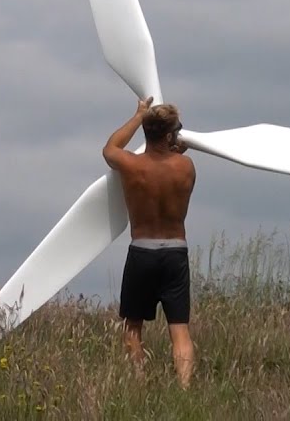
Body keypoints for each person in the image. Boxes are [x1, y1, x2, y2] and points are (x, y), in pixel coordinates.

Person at [103, 96, 197, 387]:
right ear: (170, 135)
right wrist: (177, 148)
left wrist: (138, 115)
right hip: (175, 252)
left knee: (133, 326)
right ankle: (184, 390)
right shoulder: (186, 167)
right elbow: (175, 158)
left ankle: (139, 383)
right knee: (179, 331)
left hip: (142, 251)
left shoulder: (131, 167)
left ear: (147, 131)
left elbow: (110, 148)